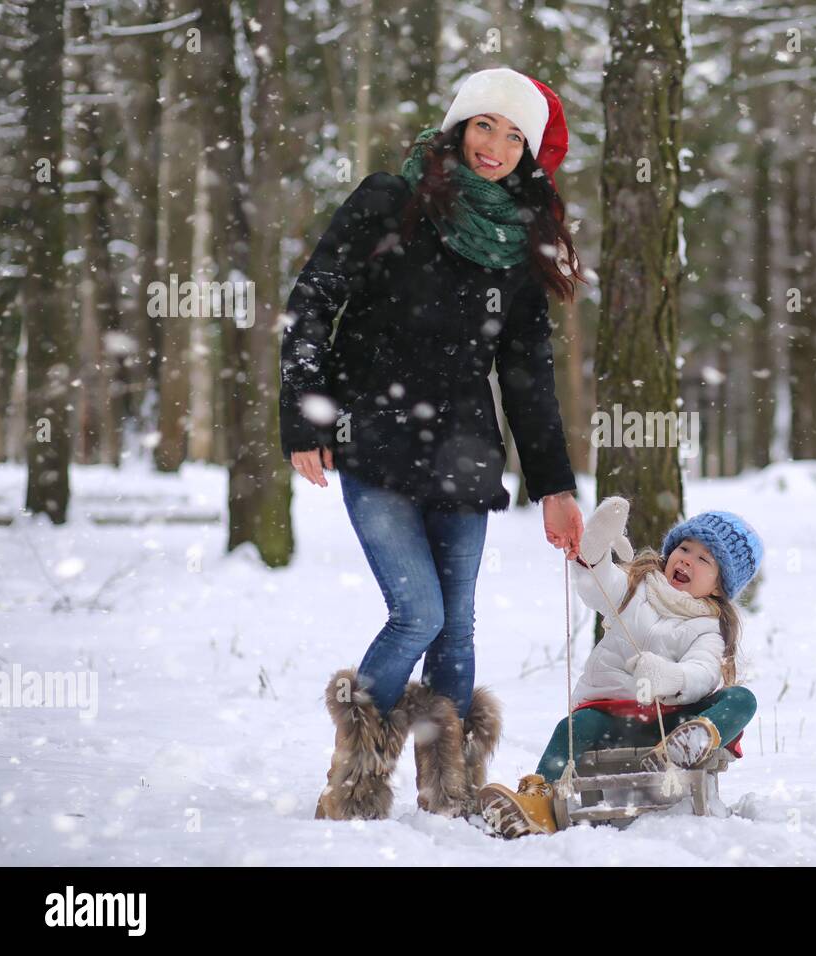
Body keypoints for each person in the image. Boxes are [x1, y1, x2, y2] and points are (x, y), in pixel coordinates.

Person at [280, 67, 586, 821]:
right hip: (375, 436)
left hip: (465, 451)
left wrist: (555, 485)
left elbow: (527, 376)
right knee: (415, 612)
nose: (496, 146)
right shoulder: (391, 198)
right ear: (457, 126)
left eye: (516, 136)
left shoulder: (520, 242)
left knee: (457, 623)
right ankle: (354, 780)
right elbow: (313, 302)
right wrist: (304, 417)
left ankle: (448, 793)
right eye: (486, 125)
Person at [478, 498, 763, 838]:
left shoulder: (708, 624)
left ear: (719, 586)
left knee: (742, 699)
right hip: (615, 718)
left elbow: (704, 673)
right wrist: (595, 553)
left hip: (671, 723)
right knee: (574, 726)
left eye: (704, 559)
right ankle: (539, 801)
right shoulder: (637, 587)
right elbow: (598, 585)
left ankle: (693, 741)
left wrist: (672, 678)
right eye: (684, 548)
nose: (687, 559)